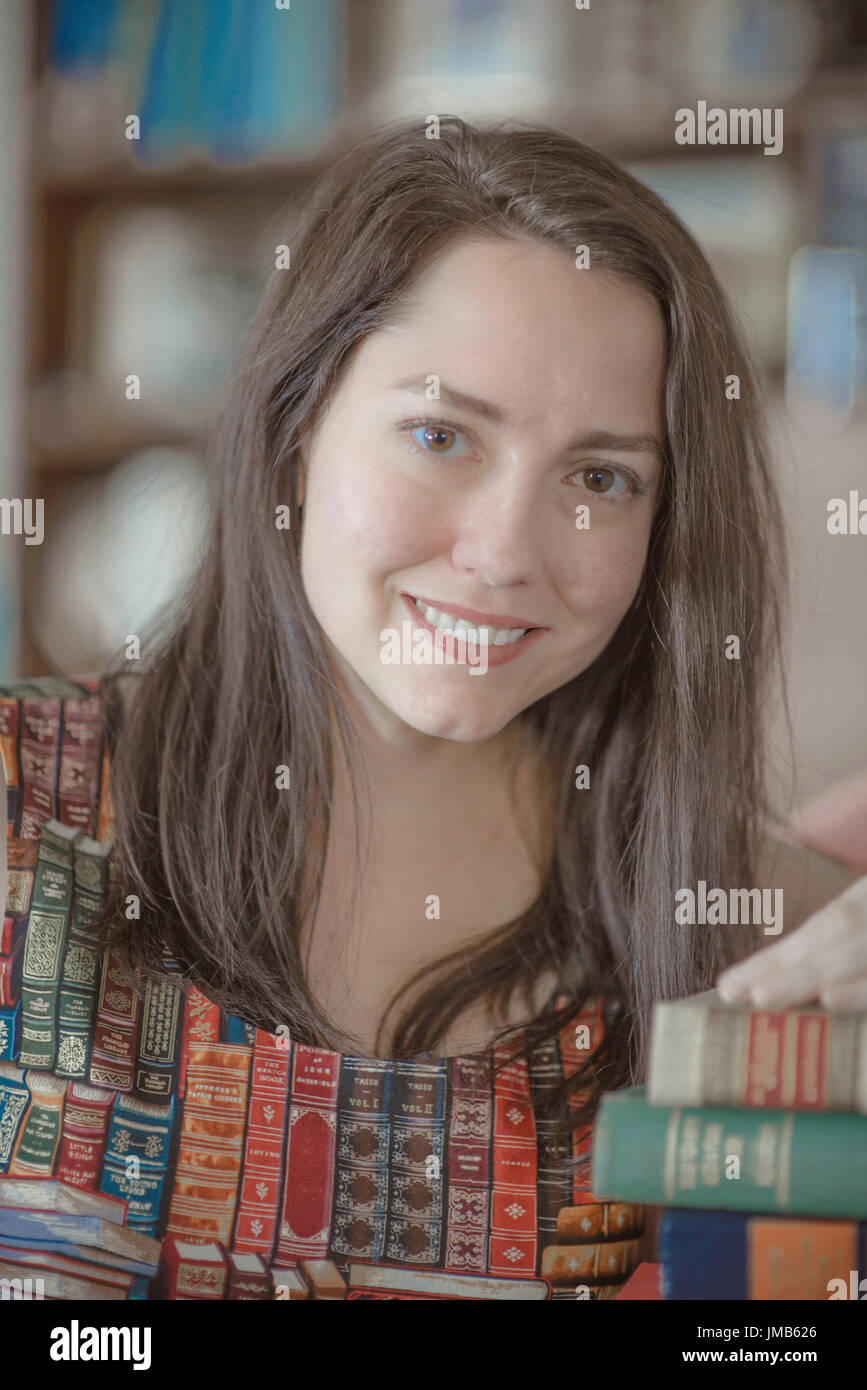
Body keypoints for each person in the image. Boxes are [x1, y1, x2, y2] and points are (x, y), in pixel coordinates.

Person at [0, 116, 864, 1302]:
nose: (506, 552)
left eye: (601, 477)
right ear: (295, 429)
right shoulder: (14, 797)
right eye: (441, 434)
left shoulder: (769, 932)